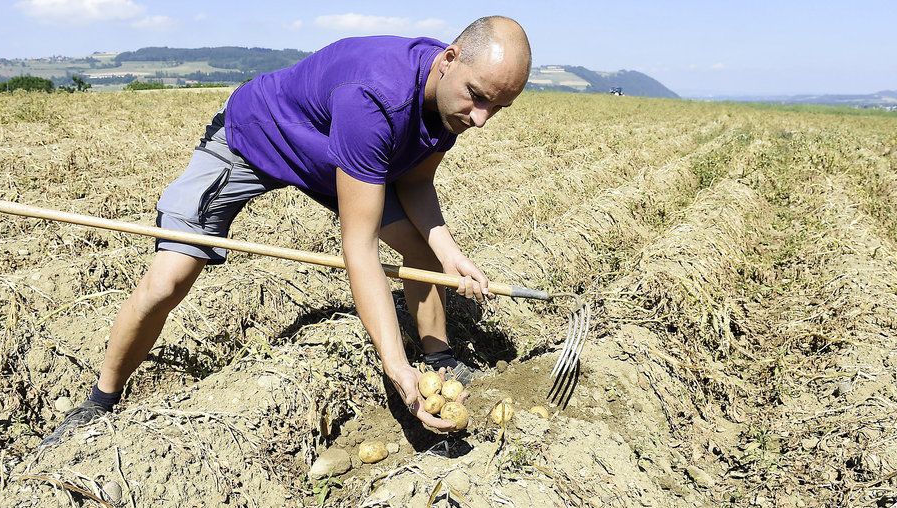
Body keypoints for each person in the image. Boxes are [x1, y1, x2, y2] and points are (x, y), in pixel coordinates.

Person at [41, 15, 532, 446]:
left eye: (498, 108)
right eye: (479, 99)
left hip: (332, 157)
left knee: (423, 253)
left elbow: (416, 180)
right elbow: (357, 250)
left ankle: (439, 357)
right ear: (448, 59)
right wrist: (394, 367)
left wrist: (447, 251)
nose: (482, 119)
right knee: (169, 278)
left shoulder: (453, 98)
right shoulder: (377, 98)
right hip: (254, 137)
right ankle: (102, 396)